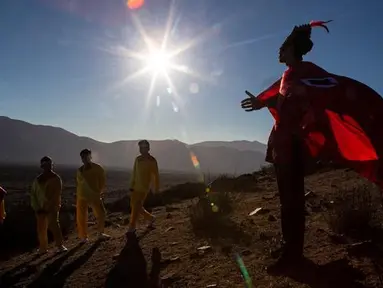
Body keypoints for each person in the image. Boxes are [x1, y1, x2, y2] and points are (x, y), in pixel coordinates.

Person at [241, 20, 383, 274]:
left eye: (283, 48)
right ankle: (289, 248)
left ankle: (293, 256)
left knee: (293, 201)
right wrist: (263, 102)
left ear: (293, 49)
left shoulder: (307, 71)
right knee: (286, 200)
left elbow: (325, 89)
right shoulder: (288, 76)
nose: (279, 52)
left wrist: (302, 99)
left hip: (294, 145)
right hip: (282, 146)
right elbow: (283, 97)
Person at [30, 156, 67, 254]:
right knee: (41, 229)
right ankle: (43, 248)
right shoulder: (37, 180)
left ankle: (60, 245)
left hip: (52, 208)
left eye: (49, 164)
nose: (47, 167)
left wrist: (48, 207)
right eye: (45, 165)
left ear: (51, 165)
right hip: (40, 209)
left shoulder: (56, 179)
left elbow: (56, 194)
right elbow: (33, 195)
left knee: (54, 225)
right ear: (42, 166)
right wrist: (37, 207)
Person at [76, 149, 111, 242]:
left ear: (90, 156)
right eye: (82, 157)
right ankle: (83, 237)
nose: (84, 159)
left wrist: (99, 191)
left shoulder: (97, 168)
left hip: (94, 195)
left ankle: (100, 233)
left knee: (101, 214)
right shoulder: (79, 170)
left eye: (86, 156)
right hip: (82, 196)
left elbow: (102, 181)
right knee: (81, 216)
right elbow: (79, 184)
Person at [127, 140, 160, 235]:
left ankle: (132, 227)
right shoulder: (137, 159)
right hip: (135, 187)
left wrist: (156, 189)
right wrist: (131, 185)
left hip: (144, 187)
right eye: (141, 147)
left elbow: (156, 175)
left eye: (144, 147)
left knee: (136, 206)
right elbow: (134, 173)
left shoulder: (152, 160)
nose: (142, 149)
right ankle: (151, 218)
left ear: (148, 148)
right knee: (135, 206)